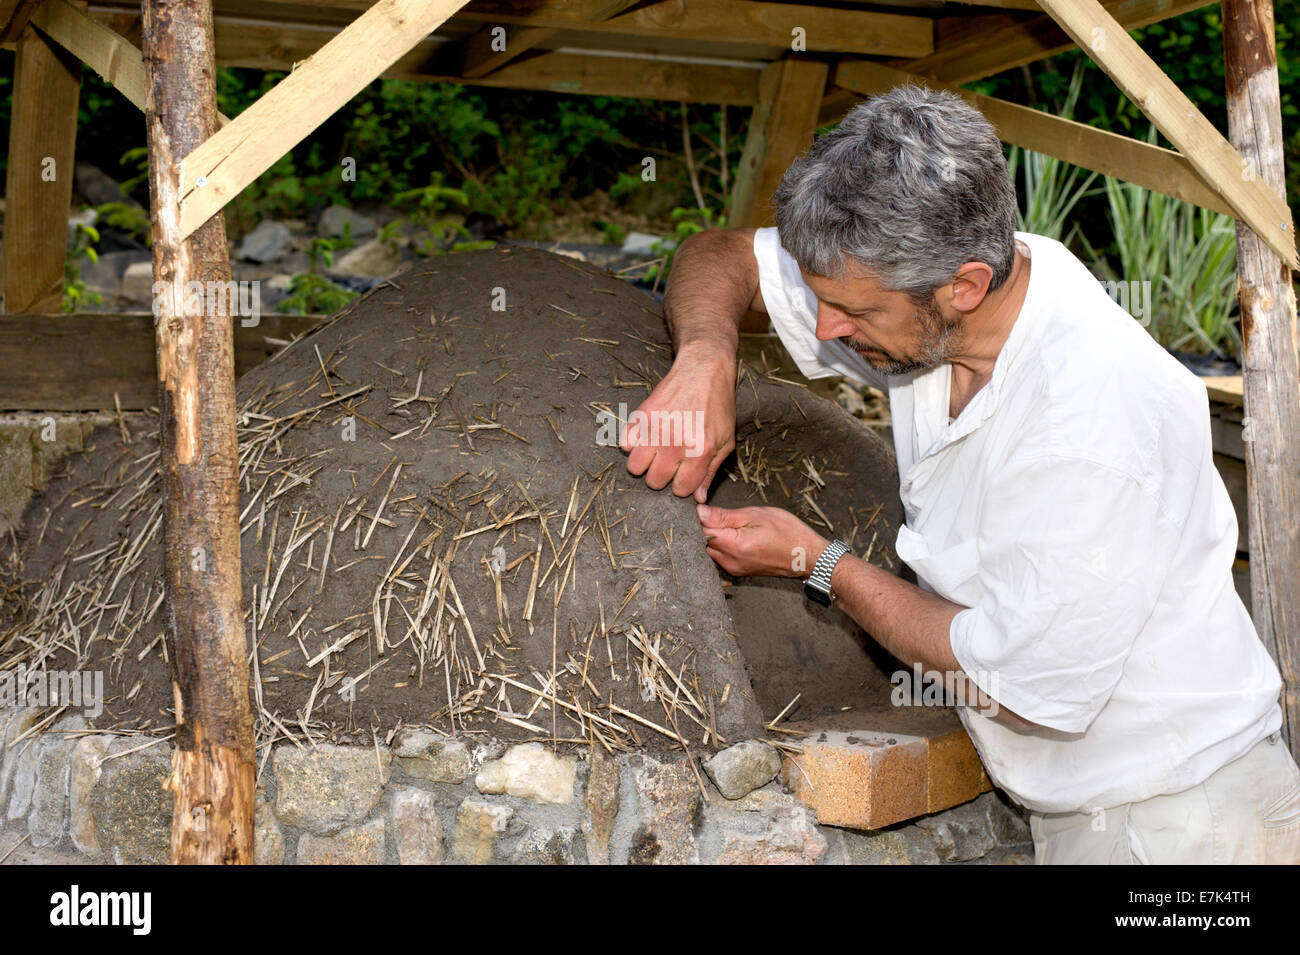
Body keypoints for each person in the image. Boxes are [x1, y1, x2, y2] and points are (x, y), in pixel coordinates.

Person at [619, 84, 1300, 865]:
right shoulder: (924, 290)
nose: (828, 328)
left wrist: (819, 563)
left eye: (855, 314)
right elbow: (720, 254)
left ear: (965, 287)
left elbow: (1017, 684)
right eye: (821, 300)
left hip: (1186, 828)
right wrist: (709, 355)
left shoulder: (1091, 423)